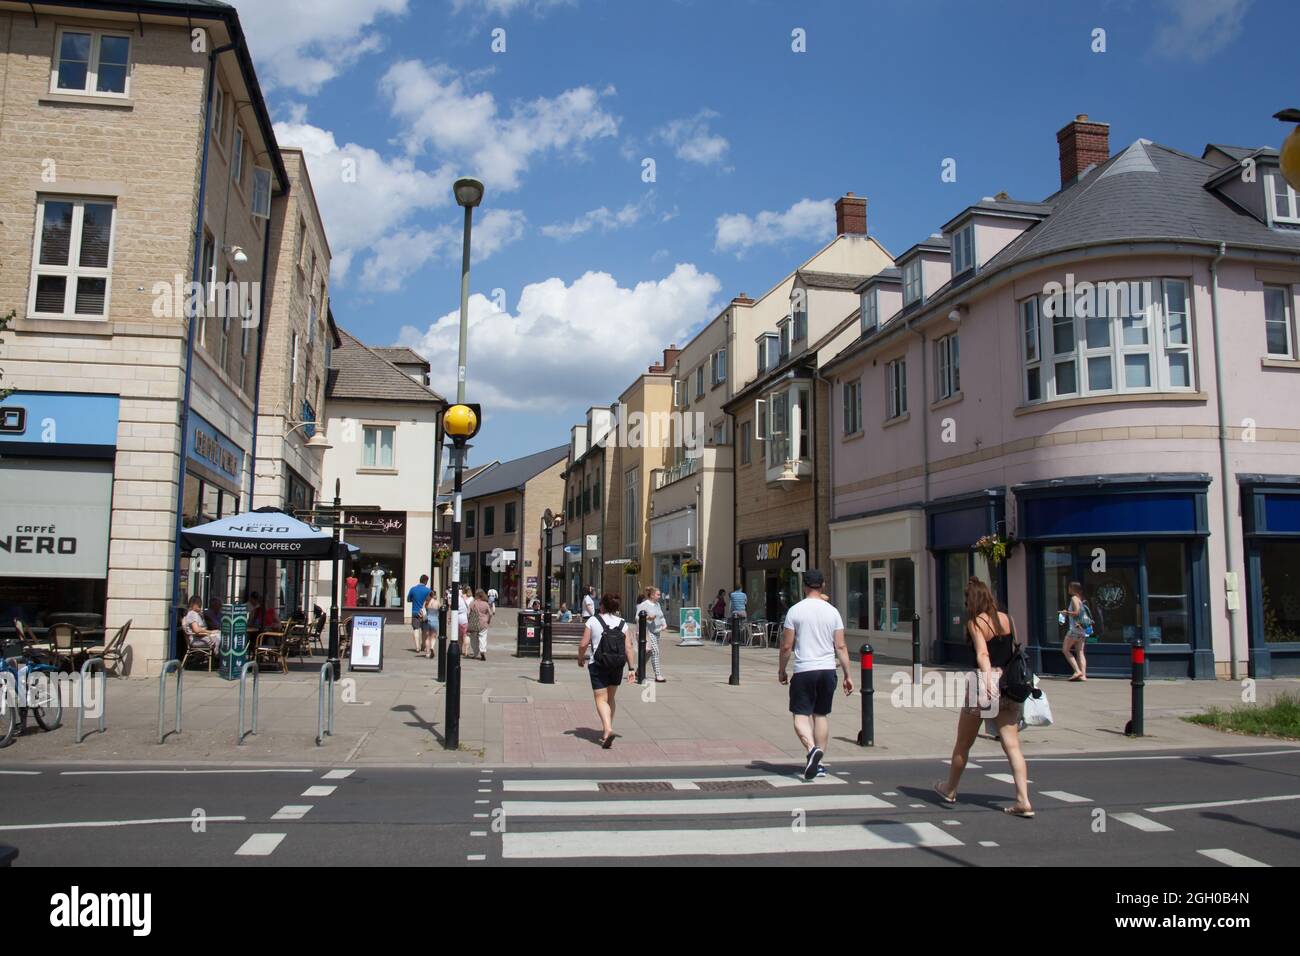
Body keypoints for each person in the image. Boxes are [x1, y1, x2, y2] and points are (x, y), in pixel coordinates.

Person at [935, 578, 1034, 818]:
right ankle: (1023, 799)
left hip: (983, 686)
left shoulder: (976, 623)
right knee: (1012, 746)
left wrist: (988, 681)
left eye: (967, 599)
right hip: (1010, 686)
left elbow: (982, 653)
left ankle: (949, 789)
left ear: (972, 600)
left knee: (963, 743)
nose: (965, 603)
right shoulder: (1007, 619)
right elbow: (1016, 651)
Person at [779, 570, 853, 780]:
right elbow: (840, 645)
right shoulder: (833, 612)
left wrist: (782, 669)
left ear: (805, 586)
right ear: (822, 585)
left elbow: (786, 646)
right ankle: (818, 765)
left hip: (805, 670)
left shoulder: (795, 611)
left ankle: (812, 750)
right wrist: (848, 675)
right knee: (820, 715)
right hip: (827, 669)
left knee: (800, 715)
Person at [578, 592, 637, 748]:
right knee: (611, 697)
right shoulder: (623, 623)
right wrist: (631, 668)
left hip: (598, 664)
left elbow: (583, 643)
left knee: (600, 698)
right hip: (617, 664)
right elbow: (629, 647)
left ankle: (608, 729)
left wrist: (580, 658)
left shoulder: (593, 620)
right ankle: (607, 729)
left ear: (602, 605)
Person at [635, 587, 668, 683]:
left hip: (657, 631)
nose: (659, 596)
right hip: (647, 632)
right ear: (652, 595)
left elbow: (661, 616)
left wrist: (664, 623)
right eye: (658, 594)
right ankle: (658, 675)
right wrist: (648, 618)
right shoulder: (644, 605)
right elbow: (637, 617)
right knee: (655, 652)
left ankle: (638, 671)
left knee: (649, 653)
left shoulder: (657, 604)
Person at [1061, 581, 1089, 681]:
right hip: (1082, 631)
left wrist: (1066, 612)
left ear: (1073, 588)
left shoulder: (1074, 598)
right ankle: (1083, 676)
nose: (1068, 589)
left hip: (1074, 630)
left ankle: (1077, 671)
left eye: (1069, 587)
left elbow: (1076, 613)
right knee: (1080, 652)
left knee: (1065, 650)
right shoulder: (1081, 599)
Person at [407, 574, 432, 654]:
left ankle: (417, 647)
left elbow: (408, 599)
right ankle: (423, 646)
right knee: (424, 630)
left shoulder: (413, 589)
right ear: (425, 581)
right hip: (425, 613)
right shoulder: (428, 590)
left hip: (415, 612)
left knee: (416, 629)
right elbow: (431, 602)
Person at [468, 588, 494, 661]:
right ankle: (482, 650)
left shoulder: (473, 603)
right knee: (483, 637)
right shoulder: (485, 604)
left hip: (474, 623)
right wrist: (488, 620)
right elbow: (491, 613)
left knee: (474, 639)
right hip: (483, 623)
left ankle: (475, 653)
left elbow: (468, 613)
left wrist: (469, 621)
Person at [421, 590, 440, 658]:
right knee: (433, 637)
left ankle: (427, 653)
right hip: (435, 620)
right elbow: (440, 611)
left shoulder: (426, 602)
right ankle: (432, 647)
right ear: (434, 595)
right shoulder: (437, 603)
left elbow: (422, 610)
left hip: (427, 620)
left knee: (427, 638)